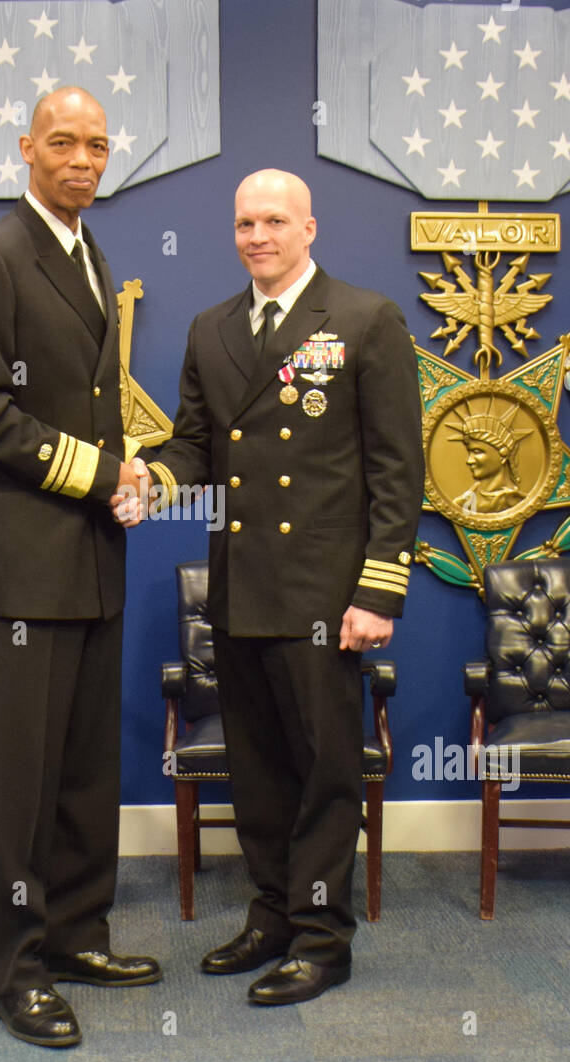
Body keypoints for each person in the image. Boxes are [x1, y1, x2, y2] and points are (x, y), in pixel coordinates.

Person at [115, 169, 423, 1005]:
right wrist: (150, 480)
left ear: (310, 228)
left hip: (328, 597)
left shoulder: (365, 319)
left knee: (324, 770)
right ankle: (273, 915)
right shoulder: (212, 328)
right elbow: (194, 449)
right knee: (256, 768)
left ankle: (323, 939)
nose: (259, 235)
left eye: (275, 221)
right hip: (241, 588)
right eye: (246, 222)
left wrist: (380, 593)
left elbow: (400, 472)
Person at [0, 86, 160, 1048]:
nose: (82, 159)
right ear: (24, 146)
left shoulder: (87, 253)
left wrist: (125, 478)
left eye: (98, 145)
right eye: (62, 142)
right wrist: (99, 473)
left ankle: (75, 934)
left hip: (91, 557)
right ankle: (16, 971)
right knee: (22, 782)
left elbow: (90, 399)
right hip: (26, 563)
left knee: (82, 770)